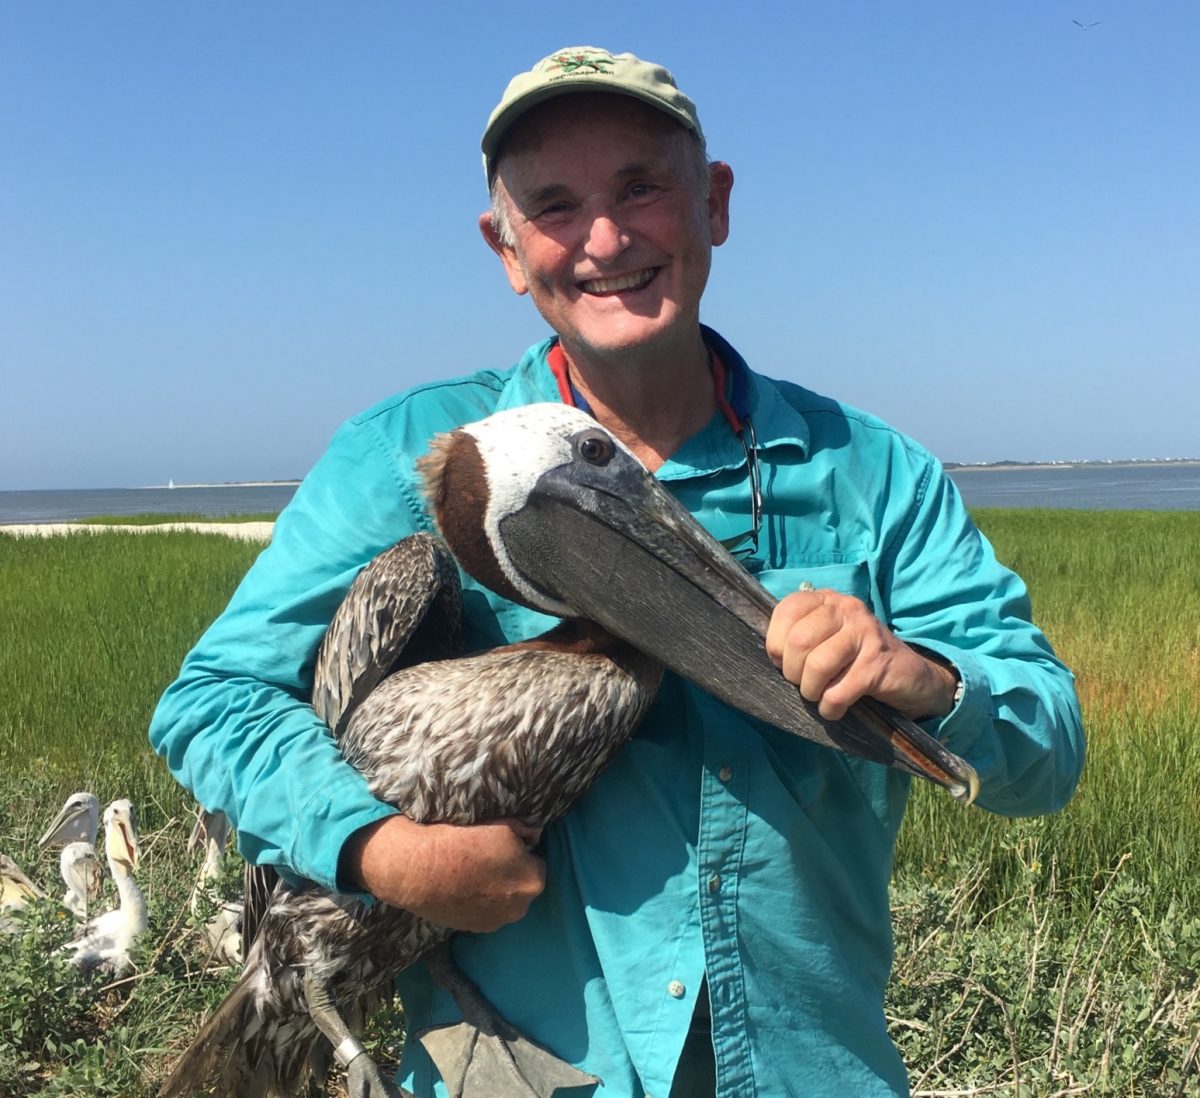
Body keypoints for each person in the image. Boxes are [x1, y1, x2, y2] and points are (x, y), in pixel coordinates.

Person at [150, 46, 1085, 1098]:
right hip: (508, 1071)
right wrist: (384, 854)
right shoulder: (400, 459)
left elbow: (1043, 753)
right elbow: (213, 701)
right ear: (505, 249)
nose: (605, 239)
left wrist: (922, 679)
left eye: (641, 186)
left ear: (714, 201)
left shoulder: (869, 473)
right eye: (554, 206)